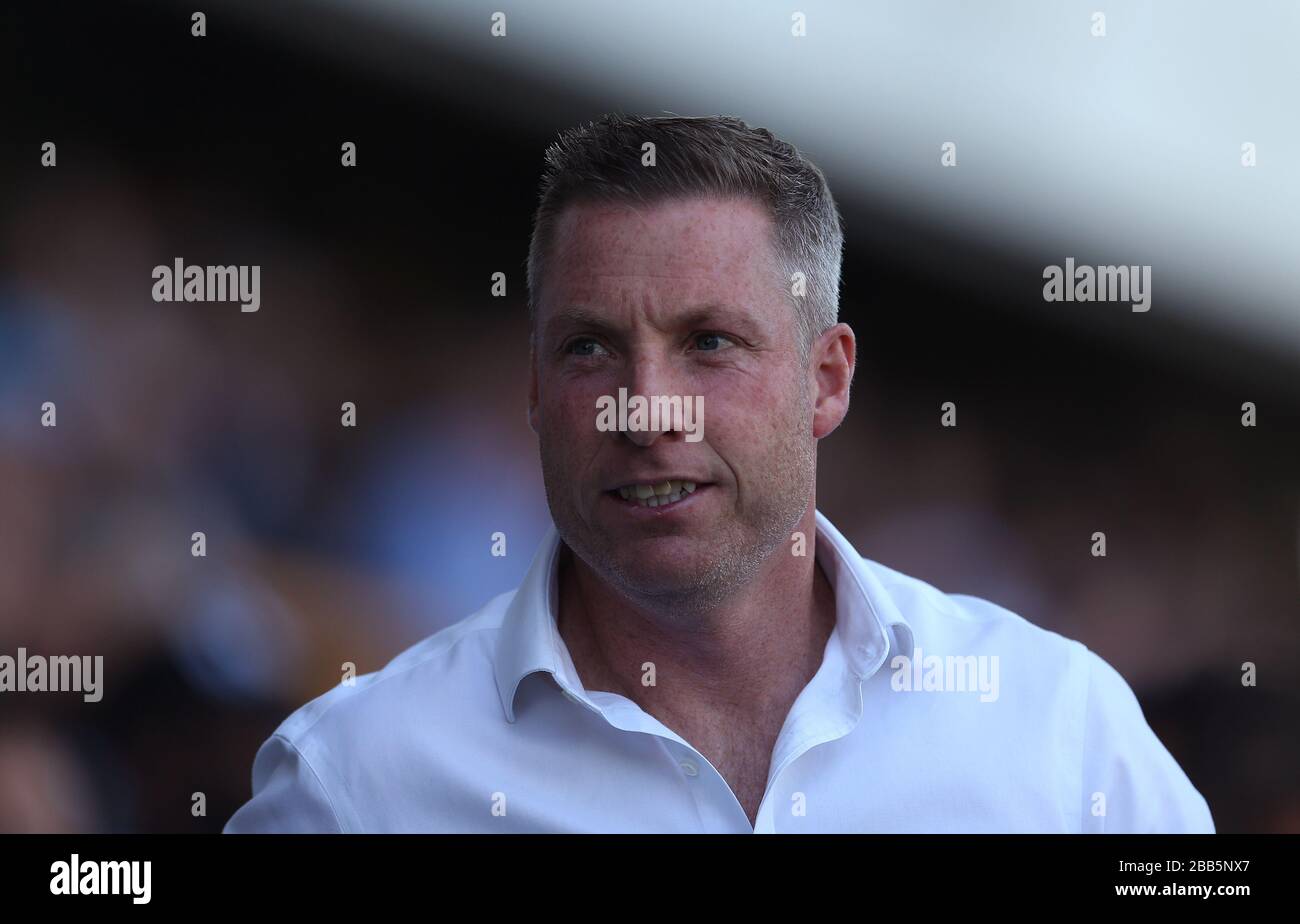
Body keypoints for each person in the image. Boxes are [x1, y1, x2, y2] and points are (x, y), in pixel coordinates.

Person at [224, 114, 1213, 833]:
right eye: (588, 349)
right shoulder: (356, 778)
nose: (645, 406)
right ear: (532, 390)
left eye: (708, 343)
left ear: (826, 381)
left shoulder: (1056, 725)